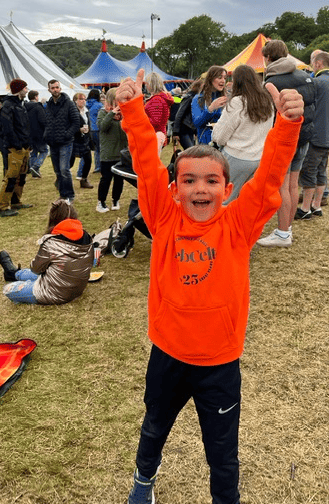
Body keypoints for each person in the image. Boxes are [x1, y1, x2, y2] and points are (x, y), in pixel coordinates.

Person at [116, 69, 303, 504]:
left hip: (220, 363)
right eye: (189, 181)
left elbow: (272, 174)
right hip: (168, 354)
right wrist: (131, 109)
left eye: (211, 180)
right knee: (154, 426)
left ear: (228, 188)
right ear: (174, 190)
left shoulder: (239, 223)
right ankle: (144, 480)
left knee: (222, 451)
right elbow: (145, 162)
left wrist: (288, 125)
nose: (200, 188)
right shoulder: (163, 220)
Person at [257, 40, 317, 247]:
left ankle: (283, 233)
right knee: (292, 184)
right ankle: (286, 229)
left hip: (286, 138)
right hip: (305, 135)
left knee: (283, 186)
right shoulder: (305, 76)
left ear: (268, 58)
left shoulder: (272, 82)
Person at [0, 199, 93, 304]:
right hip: (77, 289)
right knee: (40, 273)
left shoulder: (51, 242)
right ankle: (13, 273)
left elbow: (36, 269)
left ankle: (16, 277)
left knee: (8, 289)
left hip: (54, 294)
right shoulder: (87, 236)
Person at [212, 64, 274, 203]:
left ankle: (224, 224)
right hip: (259, 158)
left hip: (236, 156)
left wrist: (216, 130)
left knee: (225, 199)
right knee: (249, 201)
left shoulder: (238, 102)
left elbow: (220, 137)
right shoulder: (267, 102)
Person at [296, 51, 329, 220]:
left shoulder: (316, 82)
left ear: (318, 64)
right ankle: (316, 205)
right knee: (321, 170)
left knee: (309, 171)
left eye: (311, 62)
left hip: (315, 134)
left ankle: (305, 209)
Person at [0, 79, 32, 218]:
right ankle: (2, 207)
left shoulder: (20, 105)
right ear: (19, 89)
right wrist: (17, 144)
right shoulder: (8, 105)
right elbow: (7, 128)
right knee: (11, 177)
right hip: (14, 148)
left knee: (21, 176)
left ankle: (16, 201)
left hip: (23, 147)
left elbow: (24, 127)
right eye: (25, 88)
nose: (27, 90)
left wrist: (27, 143)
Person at [44, 80, 81, 201]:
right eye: (53, 88)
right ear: (49, 89)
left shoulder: (68, 103)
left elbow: (76, 122)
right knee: (58, 171)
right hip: (53, 141)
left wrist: (67, 134)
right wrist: (47, 135)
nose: (55, 89)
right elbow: (47, 122)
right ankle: (62, 194)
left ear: (60, 88)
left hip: (65, 142)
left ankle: (70, 195)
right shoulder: (49, 104)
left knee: (64, 169)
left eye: (57, 87)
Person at [96, 88, 127, 212]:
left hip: (121, 152)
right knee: (106, 178)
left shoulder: (124, 113)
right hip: (108, 153)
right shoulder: (103, 112)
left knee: (119, 179)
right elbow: (102, 127)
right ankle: (101, 202)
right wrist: (112, 113)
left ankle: (116, 200)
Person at [191, 66, 228, 144]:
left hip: (223, 143)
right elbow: (197, 123)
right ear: (211, 79)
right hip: (206, 144)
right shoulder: (199, 98)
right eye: (219, 77)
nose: (223, 81)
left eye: (225, 78)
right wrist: (210, 109)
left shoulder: (226, 98)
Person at [144, 71, 174, 153]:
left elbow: (155, 122)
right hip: (156, 135)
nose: (146, 85)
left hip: (153, 136)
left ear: (151, 84)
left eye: (147, 83)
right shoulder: (159, 98)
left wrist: (141, 117)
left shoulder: (157, 100)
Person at [71, 92, 93, 189]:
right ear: (75, 101)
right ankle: (60, 179)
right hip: (74, 140)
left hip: (85, 139)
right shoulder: (72, 112)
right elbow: (68, 126)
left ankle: (84, 180)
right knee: (70, 162)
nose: (83, 101)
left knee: (88, 160)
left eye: (84, 99)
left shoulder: (86, 111)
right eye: (81, 99)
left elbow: (88, 123)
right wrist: (79, 130)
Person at [172, 78, 202, 149]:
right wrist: (175, 132)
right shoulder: (189, 97)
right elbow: (179, 114)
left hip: (190, 129)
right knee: (190, 152)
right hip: (183, 129)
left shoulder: (198, 98)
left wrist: (195, 131)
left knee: (191, 152)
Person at [25, 90, 48, 178]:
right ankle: (36, 166)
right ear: (36, 97)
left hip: (29, 134)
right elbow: (43, 121)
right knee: (44, 151)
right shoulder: (38, 107)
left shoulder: (25, 107)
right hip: (39, 133)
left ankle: (34, 172)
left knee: (33, 152)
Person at [86, 89, 103, 172]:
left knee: (96, 149)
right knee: (101, 148)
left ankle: (97, 166)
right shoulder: (99, 105)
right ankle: (100, 166)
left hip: (91, 129)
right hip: (98, 128)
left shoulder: (87, 104)